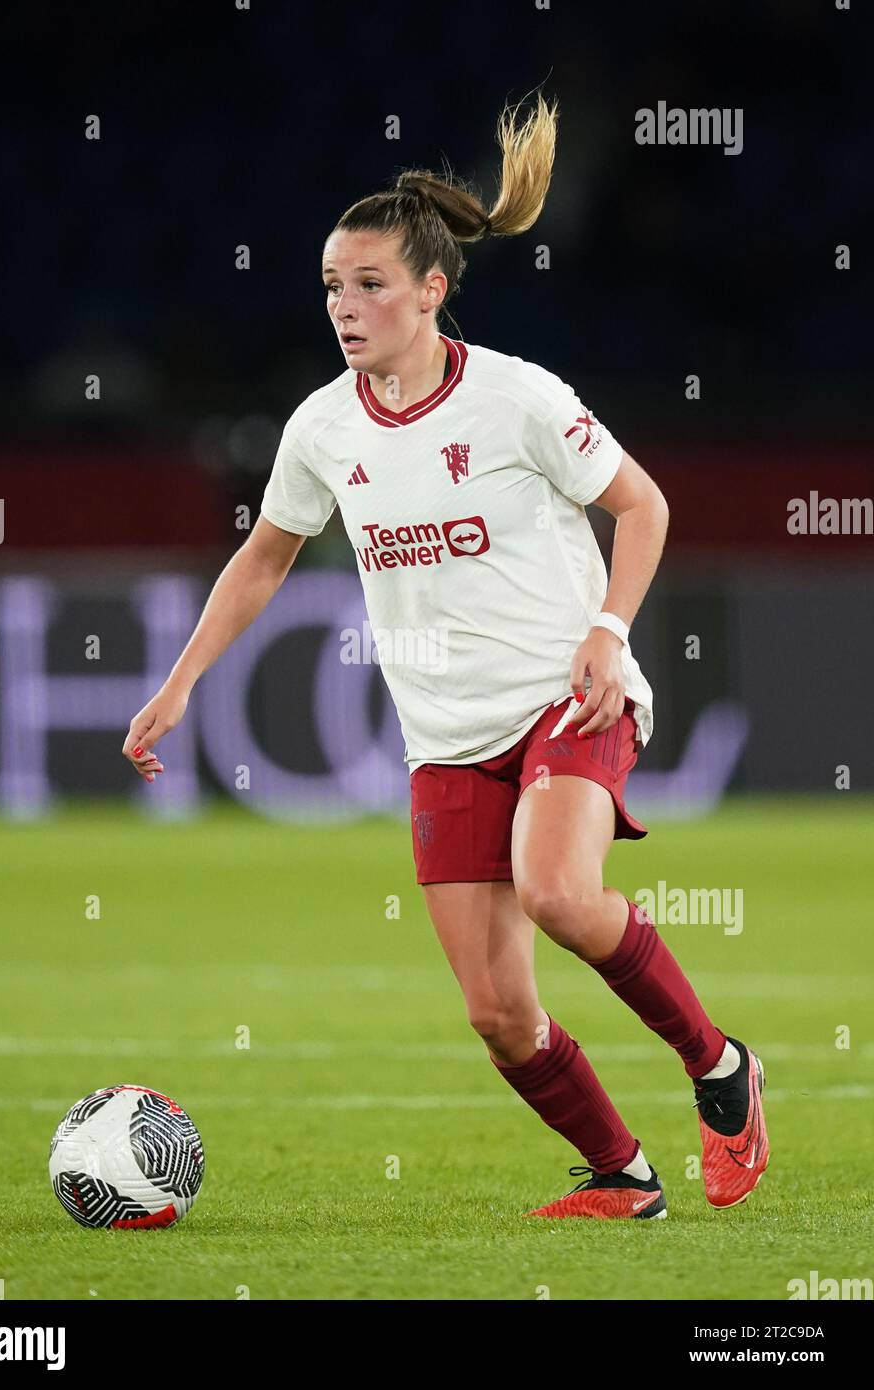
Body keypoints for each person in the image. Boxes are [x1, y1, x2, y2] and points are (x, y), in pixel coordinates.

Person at [122, 90, 769, 1220]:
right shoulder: (323, 426)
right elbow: (265, 558)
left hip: (567, 700)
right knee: (498, 1014)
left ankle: (721, 1069)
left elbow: (645, 505)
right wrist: (180, 682)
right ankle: (624, 1175)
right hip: (446, 735)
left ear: (433, 290)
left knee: (560, 892)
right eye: (332, 285)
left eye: (370, 283)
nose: (345, 305)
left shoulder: (518, 399)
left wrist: (609, 634)